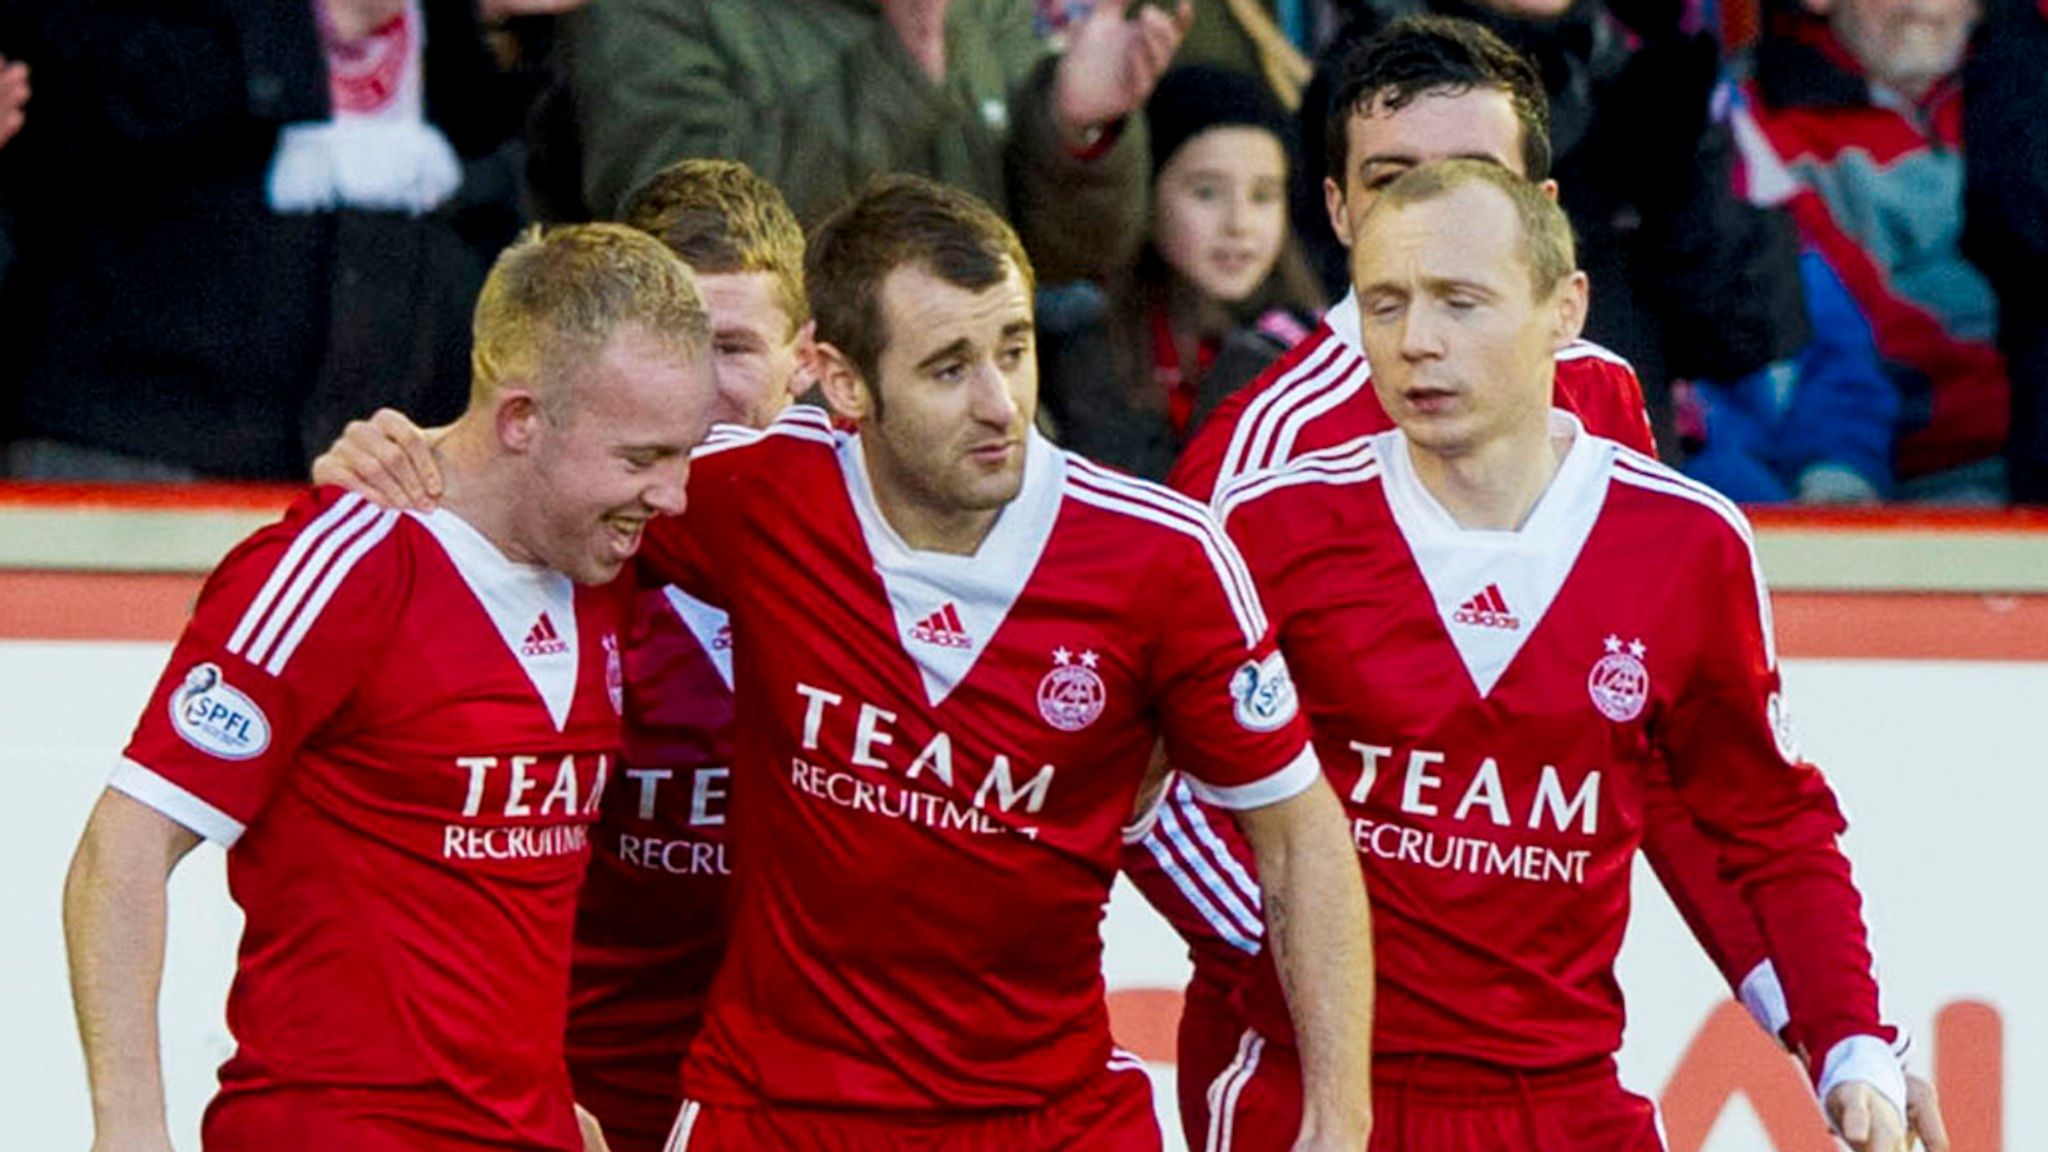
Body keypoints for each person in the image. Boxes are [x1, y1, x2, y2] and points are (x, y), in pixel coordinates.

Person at [318, 174, 1376, 1151]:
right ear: (837, 381)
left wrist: (1337, 1116)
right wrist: (400, 461)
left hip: (1047, 1117)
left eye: (1013, 348)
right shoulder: (752, 493)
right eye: (947, 368)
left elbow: (1298, 840)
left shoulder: (1162, 560)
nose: (999, 404)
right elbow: (536, 486)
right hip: (774, 1112)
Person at [1123, 19, 1942, 1148]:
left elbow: (1680, 773)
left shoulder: (1604, 408)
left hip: (1555, 1078)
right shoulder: (1255, 473)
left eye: (1474, 182)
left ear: (1542, 219)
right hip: (1317, 1085)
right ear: (1339, 209)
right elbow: (1145, 782)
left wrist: (1839, 1031)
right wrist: (1311, 966)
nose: (1434, 215)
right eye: (1394, 182)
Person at [61, 224, 719, 1152]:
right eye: (642, 458)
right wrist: (128, 1130)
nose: (675, 494)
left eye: (684, 454)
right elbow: (124, 842)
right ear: (523, 419)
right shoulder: (345, 563)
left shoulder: (605, 566)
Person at [314, 157, 811, 1152]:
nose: (699, 390)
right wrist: (384, 475)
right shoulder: (538, 553)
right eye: (670, 352)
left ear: (806, 360)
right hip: (569, 1105)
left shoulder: (865, 549)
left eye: (731, 347)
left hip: (794, 1103)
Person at [1291, 0, 1809, 449]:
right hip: (1414, 478)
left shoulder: (1637, 73)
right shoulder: (1372, 82)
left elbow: (1749, 336)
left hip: (1610, 484)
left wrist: (1685, 184)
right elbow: (1335, 291)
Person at [564, 0, 1191, 284]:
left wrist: (1075, 130)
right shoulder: (650, 12)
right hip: (776, 443)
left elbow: (1072, 259)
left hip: (984, 427)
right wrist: (900, 66)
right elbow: (683, 228)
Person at [1717, 0, 2006, 501]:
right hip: (1897, 472)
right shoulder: (1752, 116)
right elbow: (1840, 327)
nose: (1927, 6)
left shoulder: (2019, 91)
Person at [1039, 63, 1324, 480]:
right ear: (1147, 199)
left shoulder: (1316, 348)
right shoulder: (1092, 351)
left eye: (1263, 195)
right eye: (1206, 192)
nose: (1239, 223)